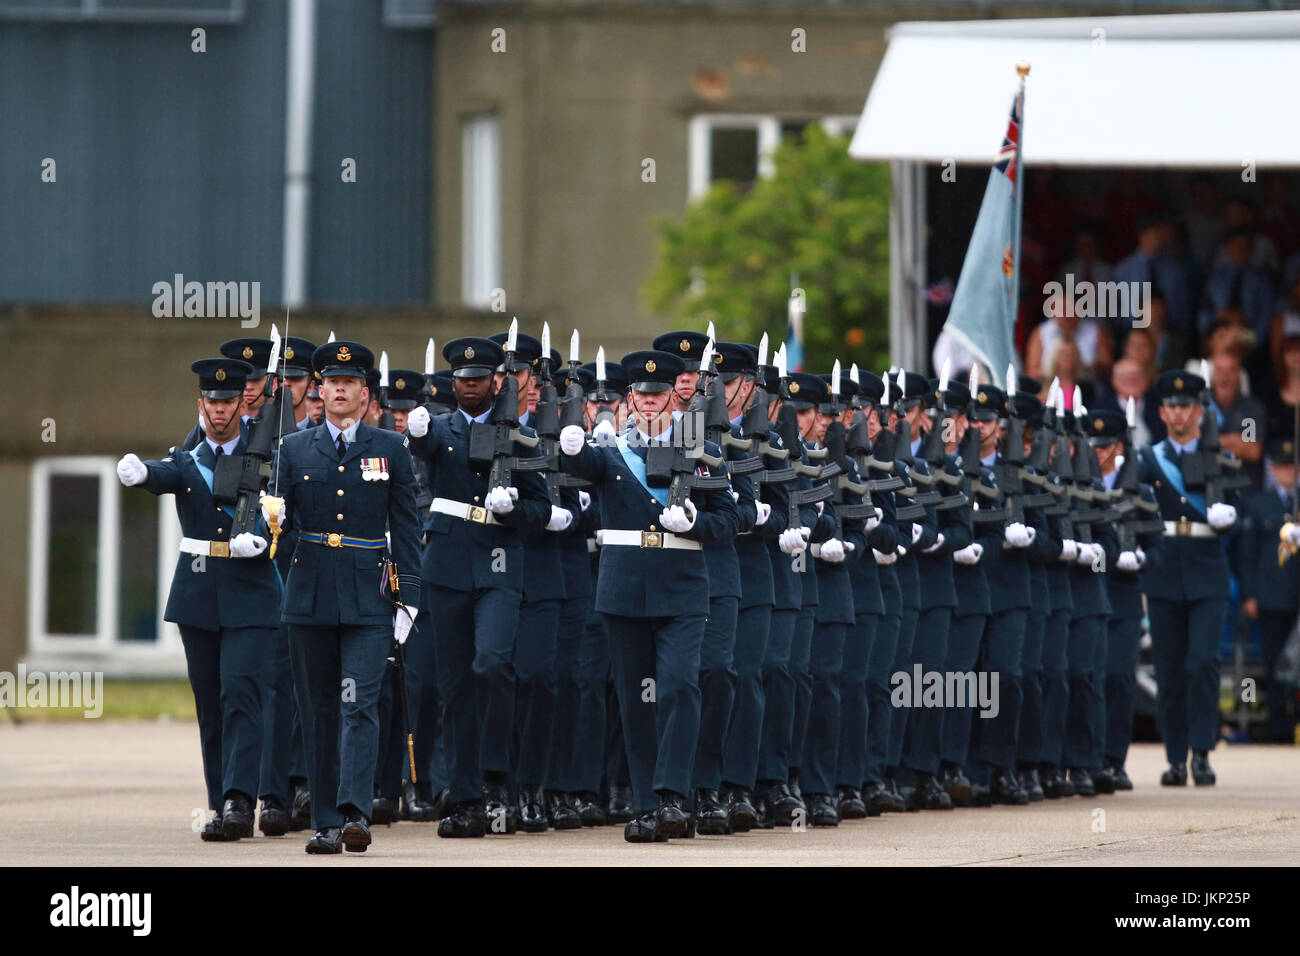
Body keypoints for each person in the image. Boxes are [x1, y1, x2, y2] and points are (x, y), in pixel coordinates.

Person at [558, 349, 739, 842]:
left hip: (681, 585)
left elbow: (730, 519)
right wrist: (572, 446)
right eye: (642, 394)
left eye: (660, 394)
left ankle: (674, 797)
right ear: (630, 400)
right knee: (637, 698)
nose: (651, 402)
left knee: (681, 687)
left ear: (672, 401)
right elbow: (583, 466)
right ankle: (644, 804)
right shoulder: (613, 449)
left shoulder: (700, 450)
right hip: (623, 588)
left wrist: (696, 522)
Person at [116, 357, 282, 842]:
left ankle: (239, 800)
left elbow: (285, 507)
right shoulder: (188, 459)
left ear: (241, 404)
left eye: (228, 401)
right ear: (200, 404)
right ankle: (220, 803)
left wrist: (266, 532)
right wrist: (139, 472)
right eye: (211, 400)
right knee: (210, 702)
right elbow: (163, 474)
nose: (219, 409)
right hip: (199, 593)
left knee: (241, 695)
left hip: (251, 592)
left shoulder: (270, 456)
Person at [268, 341, 423, 853]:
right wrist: (272, 525)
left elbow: (405, 525)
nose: (338, 389)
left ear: (364, 394)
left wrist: (410, 598)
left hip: (367, 594)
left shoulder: (389, 448)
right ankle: (327, 820)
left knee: (359, 703)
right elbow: (281, 528)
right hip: (310, 591)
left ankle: (357, 811)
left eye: (349, 382)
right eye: (331, 382)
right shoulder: (293, 448)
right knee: (317, 710)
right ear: (319, 390)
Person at [404, 337, 551, 838]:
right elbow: (420, 452)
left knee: (491, 665)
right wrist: (415, 433)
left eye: (477, 380)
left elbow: (543, 510)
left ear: (496, 382)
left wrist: (515, 510)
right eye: (461, 381)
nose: (468, 388)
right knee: (454, 684)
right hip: (446, 562)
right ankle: (465, 798)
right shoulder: (439, 429)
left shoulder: (517, 434)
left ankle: (497, 780)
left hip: (500, 561)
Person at [1137, 369, 1241, 786]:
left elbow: (1235, 507)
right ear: (1162, 412)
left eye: (1187, 406)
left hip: (1205, 567)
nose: (1179, 413)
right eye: (1172, 407)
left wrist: (1229, 515)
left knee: (1203, 663)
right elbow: (1138, 510)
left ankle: (1202, 751)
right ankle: (1176, 757)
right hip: (1164, 566)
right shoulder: (1148, 459)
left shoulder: (1219, 457)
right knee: (1169, 668)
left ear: (1199, 411)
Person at [1236, 438, 1300, 744]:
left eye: (1292, 467)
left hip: (1296, 595)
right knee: (1274, 661)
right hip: (1271, 596)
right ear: (1273, 470)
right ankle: (1278, 725)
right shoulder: (1260, 502)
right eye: (1282, 467)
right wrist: (1249, 594)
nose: (1287, 473)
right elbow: (1246, 554)